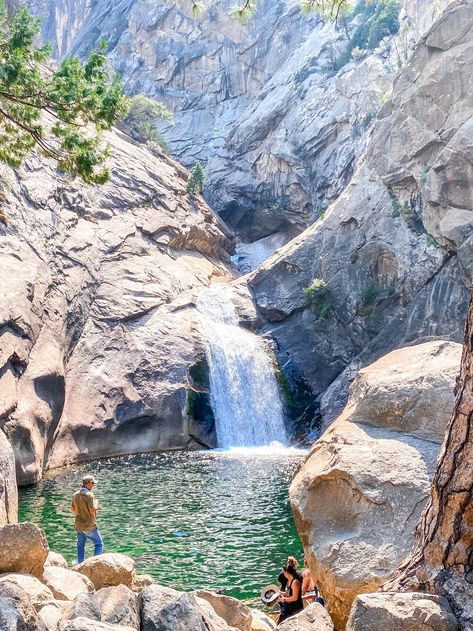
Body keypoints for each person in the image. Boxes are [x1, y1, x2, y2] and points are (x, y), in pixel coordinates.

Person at [71, 474, 103, 564]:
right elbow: (92, 511)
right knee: (99, 544)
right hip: (89, 526)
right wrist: (96, 503)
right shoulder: (89, 495)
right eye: (92, 483)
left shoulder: (75, 495)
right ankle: (96, 564)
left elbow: (72, 510)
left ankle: (80, 564)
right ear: (88, 483)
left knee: (80, 546)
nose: (93, 486)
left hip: (78, 525)